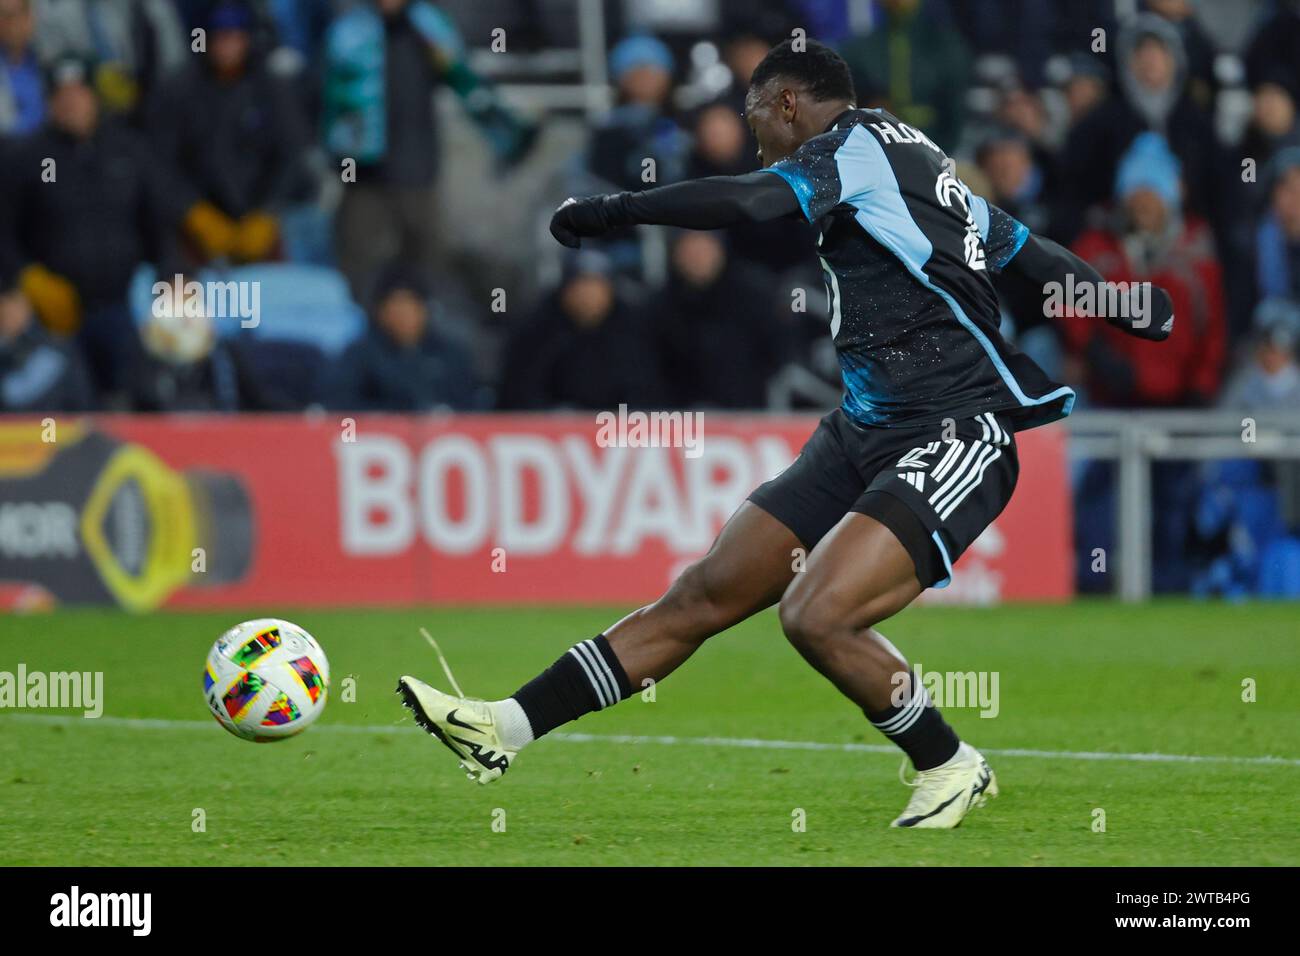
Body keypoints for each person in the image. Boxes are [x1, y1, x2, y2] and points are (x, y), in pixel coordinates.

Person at [397, 40, 1173, 829]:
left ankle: (948, 762)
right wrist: (1124, 304)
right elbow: (1025, 250)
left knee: (816, 613)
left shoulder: (856, 148)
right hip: (863, 429)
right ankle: (504, 727)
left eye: (755, 116)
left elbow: (748, 202)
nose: (755, 134)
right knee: (703, 593)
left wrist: (618, 210)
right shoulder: (916, 156)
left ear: (788, 104)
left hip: (954, 427)